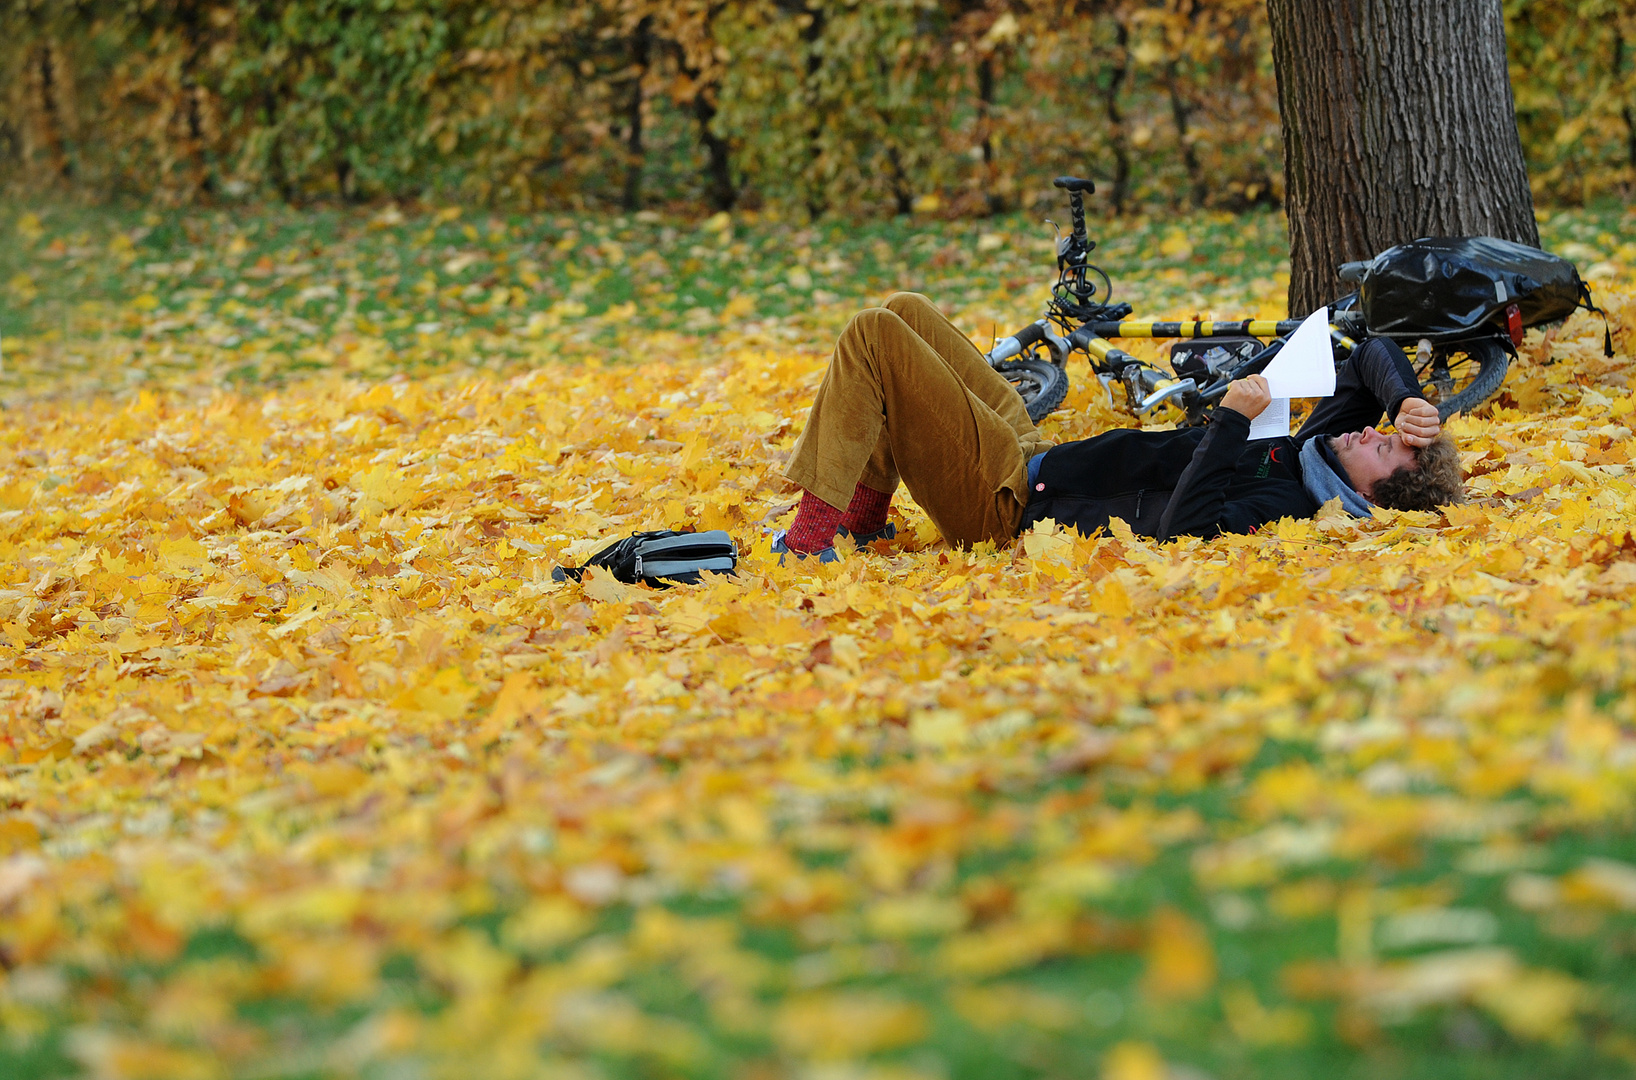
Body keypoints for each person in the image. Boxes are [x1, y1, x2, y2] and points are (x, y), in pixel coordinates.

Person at [774, 292, 1464, 561]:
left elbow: (1187, 528)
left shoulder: (1290, 504)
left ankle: (810, 538)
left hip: (1006, 506)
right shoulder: (1320, 451)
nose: (1370, 432)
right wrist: (1405, 398)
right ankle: (860, 520)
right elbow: (1368, 348)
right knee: (908, 311)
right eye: (1385, 429)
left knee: (874, 336)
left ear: (1372, 500)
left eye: (1385, 449)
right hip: (1038, 456)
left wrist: (1229, 424)